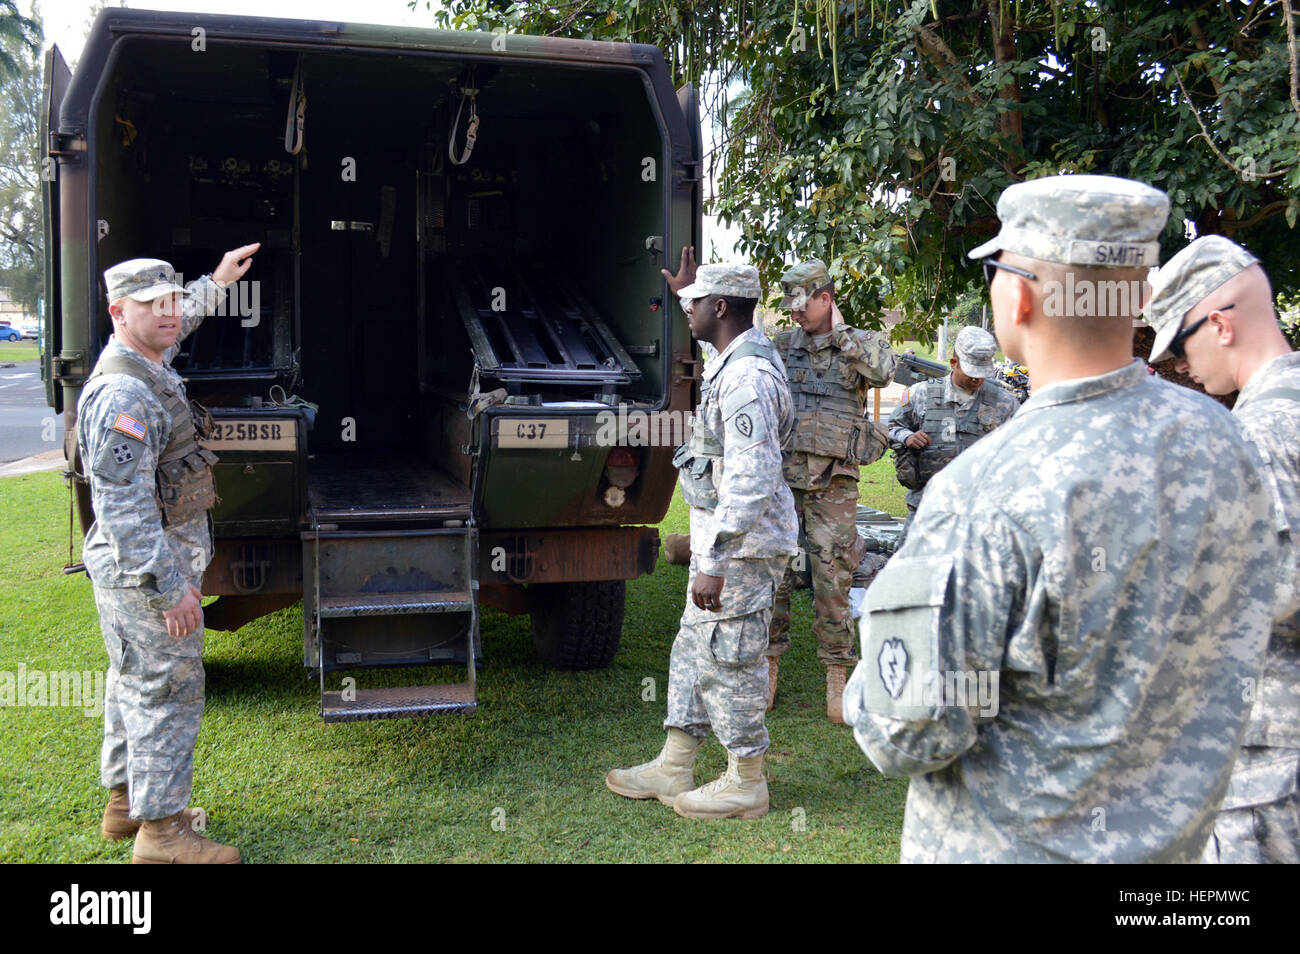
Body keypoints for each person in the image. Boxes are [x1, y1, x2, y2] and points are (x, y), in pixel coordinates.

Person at [842, 174, 1282, 862]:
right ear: (1136, 296)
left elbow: (905, 731)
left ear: (1016, 295)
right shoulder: (1229, 444)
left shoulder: (986, 489)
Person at [81, 246, 259, 863]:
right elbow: (123, 510)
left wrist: (214, 284)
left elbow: (177, 327)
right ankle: (164, 836)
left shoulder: (144, 361)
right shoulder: (125, 397)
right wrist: (169, 588)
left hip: (140, 573)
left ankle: (127, 806)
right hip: (148, 577)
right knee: (166, 690)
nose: (168, 314)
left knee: (131, 681)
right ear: (116, 313)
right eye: (151, 306)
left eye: (172, 302)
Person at [606, 262, 796, 819]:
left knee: (731, 657)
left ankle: (746, 781)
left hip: (742, 546)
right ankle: (676, 763)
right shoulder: (732, 359)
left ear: (721, 308)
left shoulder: (747, 380)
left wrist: (714, 557)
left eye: (695, 301)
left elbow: (752, 477)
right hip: (724, 539)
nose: (685, 308)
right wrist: (684, 288)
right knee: (694, 647)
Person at [1143, 234, 1300, 864]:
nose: (1179, 365)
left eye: (1179, 345)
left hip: (1263, 774)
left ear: (1220, 323)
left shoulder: (1252, 442)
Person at [766, 260, 896, 723]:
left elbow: (883, 371)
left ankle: (838, 673)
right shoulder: (781, 345)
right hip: (784, 479)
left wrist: (841, 334)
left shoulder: (859, 345)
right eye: (791, 305)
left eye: (803, 303)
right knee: (776, 574)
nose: (795, 313)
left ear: (826, 298)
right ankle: (769, 664)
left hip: (834, 483)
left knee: (833, 576)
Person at [886, 325, 1018, 542]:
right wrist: (907, 437)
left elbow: (1019, 453)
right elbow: (890, 429)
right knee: (911, 571)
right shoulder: (920, 394)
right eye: (971, 372)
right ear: (953, 363)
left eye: (982, 374)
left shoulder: (1004, 403)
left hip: (980, 515)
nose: (977, 379)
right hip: (926, 508)